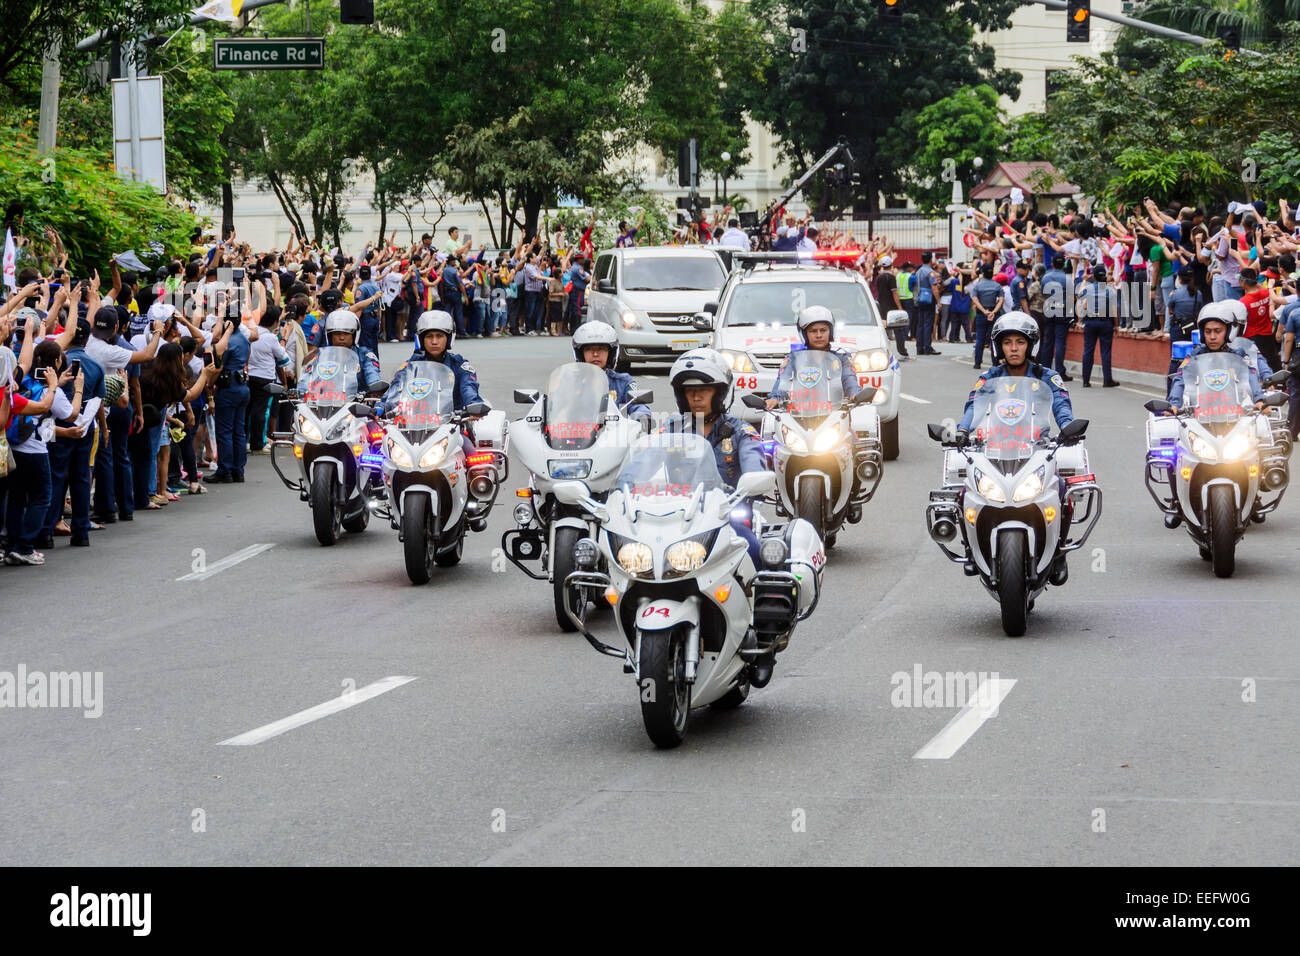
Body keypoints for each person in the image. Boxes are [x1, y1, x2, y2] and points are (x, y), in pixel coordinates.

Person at [956, 312, 1075, 584]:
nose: (1013, 348)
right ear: (999, 346)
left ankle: (1058, 552)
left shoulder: (1049, 377)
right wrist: (963, 431)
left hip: (1036, 450)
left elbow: (1061, 406)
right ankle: (971, 550)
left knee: (1062, 490)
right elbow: (973, 408)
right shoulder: (988, 379)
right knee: (965, 493)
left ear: (1030, 345)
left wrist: (1068, 427)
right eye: (1007, 342)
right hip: (994, 449)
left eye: (1019, 342)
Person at [383, 310, 486, 455]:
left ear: (449, 338)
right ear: (421, 340)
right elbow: (394, 389)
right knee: (381, 457)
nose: (434, 341)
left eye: (440, 336)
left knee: (474, 459)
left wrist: (473, 404)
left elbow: (468, 387)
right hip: (411, 430)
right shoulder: (410, 367)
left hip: (450, 429)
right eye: (429, 336)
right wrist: (381, 407)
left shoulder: (460, 364)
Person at [1166, 310, 1266, 412]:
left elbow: (1252, 375)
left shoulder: (1239, 356)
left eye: (1218, 331)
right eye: (1208, 332)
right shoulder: (1193, 356)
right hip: (1200, 414)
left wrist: (1259, 399)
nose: (1212, 337)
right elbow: (1180, 377)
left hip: (1234, 413)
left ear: (1228, 332)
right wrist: (1174, 404)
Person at [765, 305, 861, 410]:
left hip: (835, 414)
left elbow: (849, 379)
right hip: (799, 414)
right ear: (805, 334)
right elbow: (783, 382)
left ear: (831, 332)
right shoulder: (794, 358)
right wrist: (775, 398)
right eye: (813, 331)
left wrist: (855, 394)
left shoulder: (842, 357)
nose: (819, 335)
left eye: (823, 330)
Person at [571, 322, 651, 427]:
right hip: (578, 437)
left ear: (611, 353)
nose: (595, 354)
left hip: (613, 439)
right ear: (581, 354)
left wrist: (643, 417)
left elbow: (638, 406)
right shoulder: (570, 382)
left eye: (601, 349)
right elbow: (555, 409)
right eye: (589, 349)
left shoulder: (623, 382)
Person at [1077, 264, 1120, 387]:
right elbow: (1114, 310)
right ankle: (1107, 380)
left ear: (1094, 277)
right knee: (1105, 352)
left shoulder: (1088, 289)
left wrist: (1085, 280)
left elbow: (1080, 298)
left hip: (1090, 322)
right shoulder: (1109, 291)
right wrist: (1116, 326)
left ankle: (1086, 380)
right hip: (1105, 322)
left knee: (1088, 351)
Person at [969, 265, 1004, 370]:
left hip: (981, 314)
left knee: (980, 338)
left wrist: (985, 311)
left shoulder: (978, 286)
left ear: (983, 274)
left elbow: (975, 299)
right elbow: (1001, 300)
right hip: (994, 314)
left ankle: (977, 362)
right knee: (994, 338)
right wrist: (993, 311)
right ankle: (995, 362)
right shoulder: (997, 286)